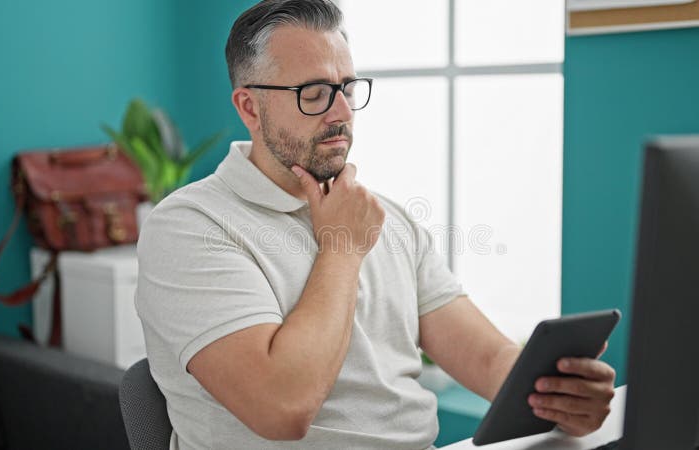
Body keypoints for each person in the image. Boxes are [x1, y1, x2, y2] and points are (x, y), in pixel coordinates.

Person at [134, 1, 616, 449]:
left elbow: (488, 359)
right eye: (314, 94)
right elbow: (282, 408)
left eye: (347, 89)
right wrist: (343, 246)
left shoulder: (383, 217)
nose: (342, 112)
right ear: (250, 108)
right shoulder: (188, 227)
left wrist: (561, 396)